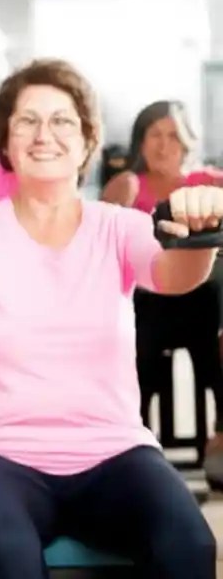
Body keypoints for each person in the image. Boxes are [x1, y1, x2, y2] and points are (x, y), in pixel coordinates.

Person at [0, 59, 218, 578]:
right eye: (26, 121)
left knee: (191, 543)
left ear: (86, 140)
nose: (43, 134)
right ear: (5, 142)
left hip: (114, 447)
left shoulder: (118, 228)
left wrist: (199, 226)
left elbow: (175, 274)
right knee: (9, 551)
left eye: (62, 121)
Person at [100, 99, 223, 485]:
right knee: (134, 348)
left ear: (187, 141)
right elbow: (100, 246)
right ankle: (132, 445)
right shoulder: (127, 185)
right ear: (140, 141)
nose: (164, 144)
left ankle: (221, 437)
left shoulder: (210, 183)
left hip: (206, 307)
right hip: (145, 308)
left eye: (172, 135)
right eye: (154, 134)